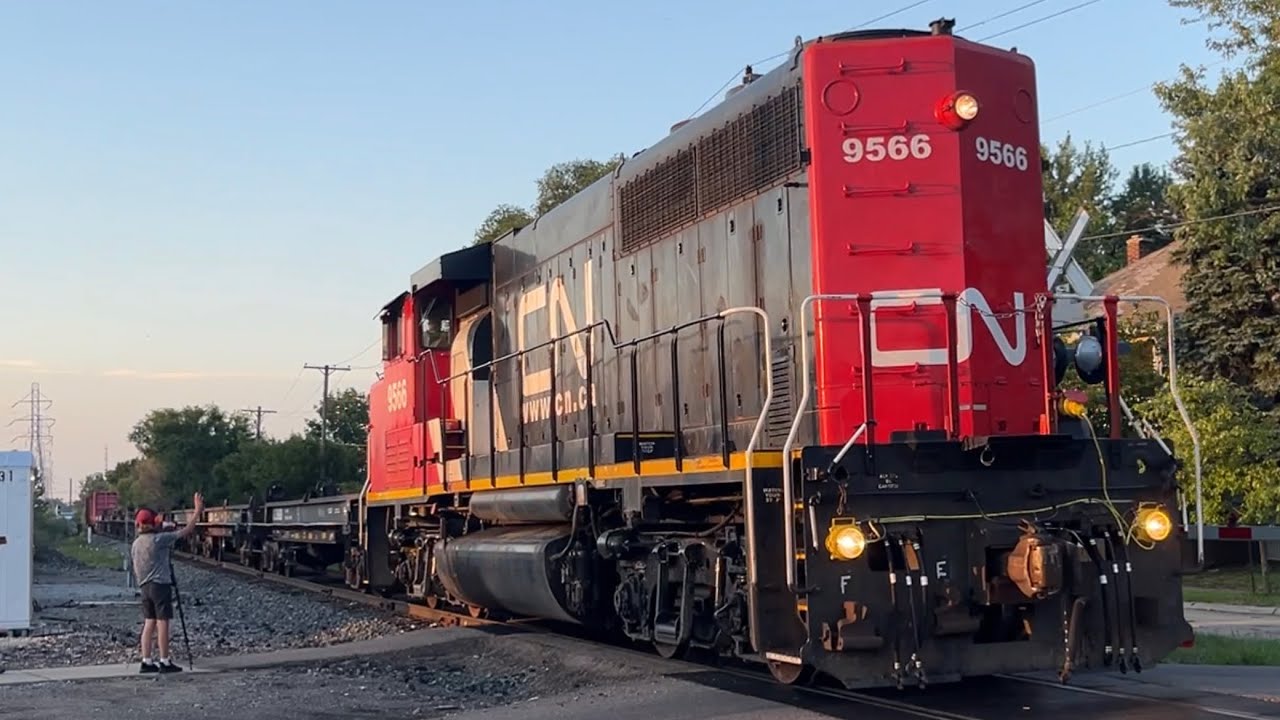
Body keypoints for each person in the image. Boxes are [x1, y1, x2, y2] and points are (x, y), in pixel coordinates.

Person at [131, 492, 203, 673]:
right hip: (160, 585)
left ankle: (146, 661)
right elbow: (186, 531)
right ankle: (164, 660)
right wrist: (197, 511)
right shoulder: (159, 540)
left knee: (149, 622)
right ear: (153, 524)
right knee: (163, 623)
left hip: (144, 586)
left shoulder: (136, 543)